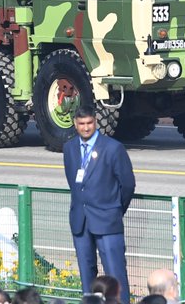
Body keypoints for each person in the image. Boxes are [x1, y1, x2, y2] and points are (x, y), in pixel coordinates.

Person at [63, 104, 136, 303]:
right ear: (75, 124)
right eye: (81, 124)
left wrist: (115, 209)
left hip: (107, 220)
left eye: (89, 123)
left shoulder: (113, 148)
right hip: (81, 221)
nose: (86, 127)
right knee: (87, 276)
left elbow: (127, 185)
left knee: (115, 275)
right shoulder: (69, 148)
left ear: (95, 122)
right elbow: (74, 182)